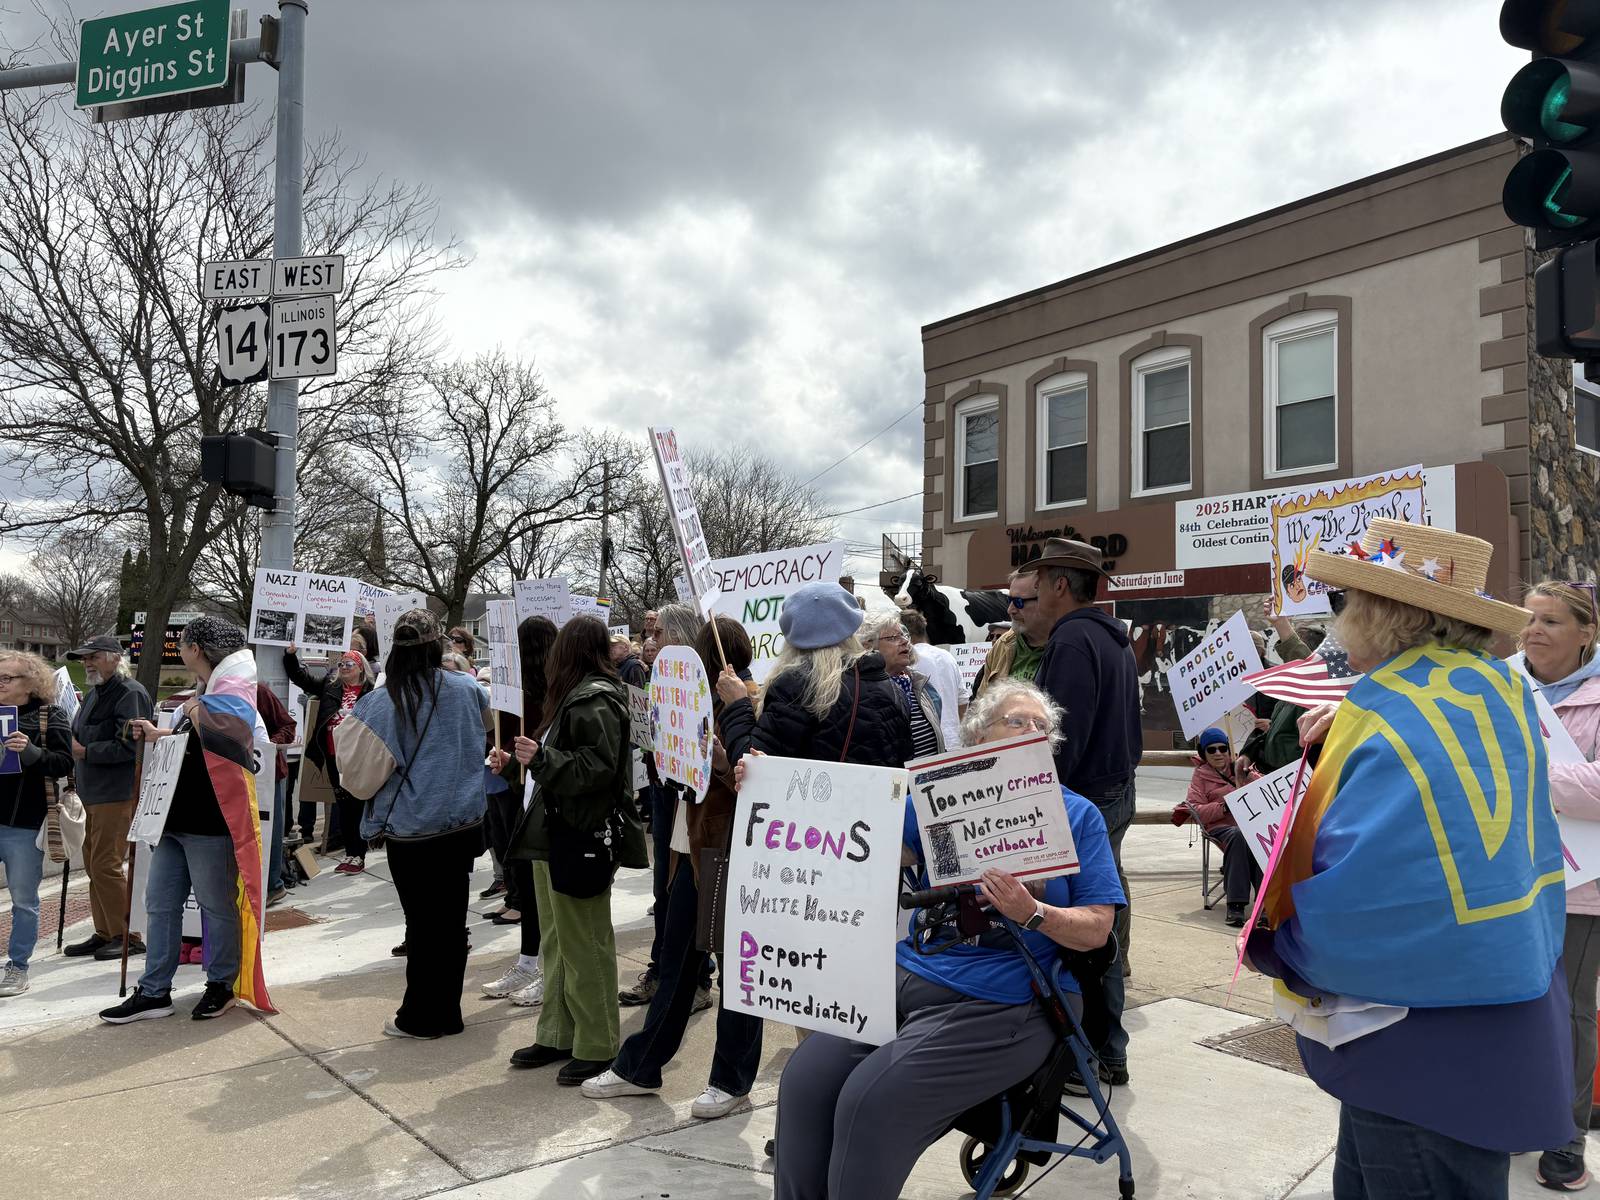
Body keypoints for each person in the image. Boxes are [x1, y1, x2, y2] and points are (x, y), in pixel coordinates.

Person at [1244, 519, 1569, 1199]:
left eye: (1347, 601)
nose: (1339, 619)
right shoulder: (1496, 684)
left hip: (1415, 1033)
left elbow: (1368, 897)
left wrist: (1279, 940)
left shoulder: (1391, 707)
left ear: (1385, 612)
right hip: (1496, 997)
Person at [772, 677, 1126, 1200]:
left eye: (1041, 727)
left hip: (1009, 997)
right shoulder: (940, 800)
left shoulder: (1075, 815)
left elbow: (1097, 929)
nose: (1031, 731)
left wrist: (1033, 913)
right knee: (804, 1081)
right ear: (979, 736)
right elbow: (861, 839)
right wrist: (771, 788)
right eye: (1017, 720)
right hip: (914, 974)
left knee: (870, 1102)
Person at [583, 615, 767, 1117]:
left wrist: (720, 760)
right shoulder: (696, 699)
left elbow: (756, 780)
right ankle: (640, 1066)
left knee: (736, 968)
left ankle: (731, 1079)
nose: (652, 643)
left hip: (727, 849)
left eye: (662, 636)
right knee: (677, 961)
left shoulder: (749, 703)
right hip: (692, 846)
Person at [101, 617, 274, 1022]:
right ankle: (154, 991)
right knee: (160, 905)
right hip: (174, 820)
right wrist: (158, 733)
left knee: (216, 906)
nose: (180, 651)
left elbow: (227, 740)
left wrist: (195, 708)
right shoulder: (206, 691)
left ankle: (221, 984)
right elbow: (192, 741)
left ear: (196, 649)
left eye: (183, 644)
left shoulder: (230, 692)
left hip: (210, 822)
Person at [334, 608, 492, 1039]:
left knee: (421, 924)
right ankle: (448, 1011)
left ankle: (421, 1016)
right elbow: (484, 731)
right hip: (462, 823)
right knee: (451, 922)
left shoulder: (382, 702)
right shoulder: (467, 688)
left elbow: (354, 770)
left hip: (412, 829)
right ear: (436, 645)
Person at [1017, 537, 1140, 1089]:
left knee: (1084, 931)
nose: (1035, 591)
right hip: (1115, 790)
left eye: (1040, 582)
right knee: (1104, 919)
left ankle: (1093, 1051)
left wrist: (1040, 806)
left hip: (1083, 801)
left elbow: (1058, 742)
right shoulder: (1112, 637)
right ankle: (1106, 1049)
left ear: (1060, 585)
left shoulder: (1070, 640)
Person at [507, 615, 645, 1085]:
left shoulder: (594, 698)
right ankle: (559, 1032)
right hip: (557, 833)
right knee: (558, 940)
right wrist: (523, 761)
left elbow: (598, 768)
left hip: (578, 835)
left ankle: (597, 1042)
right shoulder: (576, 695)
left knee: (583, 942)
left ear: (569, 651)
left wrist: (542, 758)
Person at [1510, 580, 1600, 1192]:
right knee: (1508, 1003)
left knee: (1568, 1012)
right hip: (1505, 877)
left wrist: (1527, 768)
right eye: (1529, 618)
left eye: (1550, 621)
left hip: (1578, 885)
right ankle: (1518, 1114)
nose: (1533, 630)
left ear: (1586, 633)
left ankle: (1566, 1137)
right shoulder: (1498, 685)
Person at [619, 603, 714, 1011]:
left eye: (659, 633)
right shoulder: (656, 677)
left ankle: (696, 981)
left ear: (681, 636)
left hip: (689, 799)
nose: (650, 640)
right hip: (663, 791)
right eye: (649, 633)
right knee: (664, 889)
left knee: (688, 890)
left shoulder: (703, 683)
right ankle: (662, 972)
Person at [481, 614, 558, 1006]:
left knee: (540, 886)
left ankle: (546, 968)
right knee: (529, 882)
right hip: (522, 789)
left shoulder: (559, 692)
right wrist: (508, 763)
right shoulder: (516, 689)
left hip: (543, 795)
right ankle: (530, 962)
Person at [752, 582, 914, 767]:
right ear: (851, 629)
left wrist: (737, 705)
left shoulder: (793, 685)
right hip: (876, 787)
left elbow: (755, 765)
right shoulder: (892, 688)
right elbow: (904, 761)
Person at [63, 634, 152, 962]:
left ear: (116, 657)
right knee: (93, 865)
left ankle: (127, 935)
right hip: (92, 792)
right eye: (85, 658)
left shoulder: (130, 693)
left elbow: (131, 746)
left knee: (105, 864)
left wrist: (86, 751)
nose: (87, 663)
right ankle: (105, 932)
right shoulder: (94, 693)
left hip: (116, 793)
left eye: (94, 657)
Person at [0, 652, 74, 997]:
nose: (0, 684)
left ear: (30, 684)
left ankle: (18, 966)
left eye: (7, 678)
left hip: (24, 824)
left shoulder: (49, 715)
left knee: (23, 900)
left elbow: (63, 763)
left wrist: (30, 751)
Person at [283, 643, 375, 874]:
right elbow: (301, 678)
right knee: (343, 806)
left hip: (359, 758)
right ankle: (351, 853)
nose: (343, 667)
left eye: (349, 664)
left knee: (357, 806)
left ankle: (359, 854)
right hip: (334, 756)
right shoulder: (330, 686)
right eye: (341, 664)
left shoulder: (372, 692)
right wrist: (290, 656)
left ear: (361, 668)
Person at [1172, 726, 1260, 927]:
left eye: (1223, 748)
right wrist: (1225, 806)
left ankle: (1266, 904)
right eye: (1211, 749)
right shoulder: (1200, 776)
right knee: (1239, 836)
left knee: (1264, 839)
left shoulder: (1242, 768)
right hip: (1220, 827)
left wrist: (1247, 776)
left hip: (1249, 824)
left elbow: (1264, 788)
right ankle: (1236, 904)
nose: (1218, 753)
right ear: (1204, 753)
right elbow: (1196, 809)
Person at [860, 611, 945, 758]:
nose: (905, 641)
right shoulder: (859, 692)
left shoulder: (920, 685)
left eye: (904, 635)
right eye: (893, 638)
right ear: (869, 646)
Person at [970, 570, 1049, 699]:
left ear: (1045, 601)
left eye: (1018, 602)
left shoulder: (1065, 647)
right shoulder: (1002, 644)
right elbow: (981, 703)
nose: (1010, 610)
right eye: (1009, 600)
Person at [257, 682, 297, 907]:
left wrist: (268, 746)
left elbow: (287, 726)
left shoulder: (258, 691)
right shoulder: (207, 692)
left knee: (269, 831)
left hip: (269, 774)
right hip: (237, 775)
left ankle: (273, 885)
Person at [901, 609, 962, 747]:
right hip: (954, 740)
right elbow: (963, 700)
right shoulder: (948, 656)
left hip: (929, 743)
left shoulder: (908, 660)